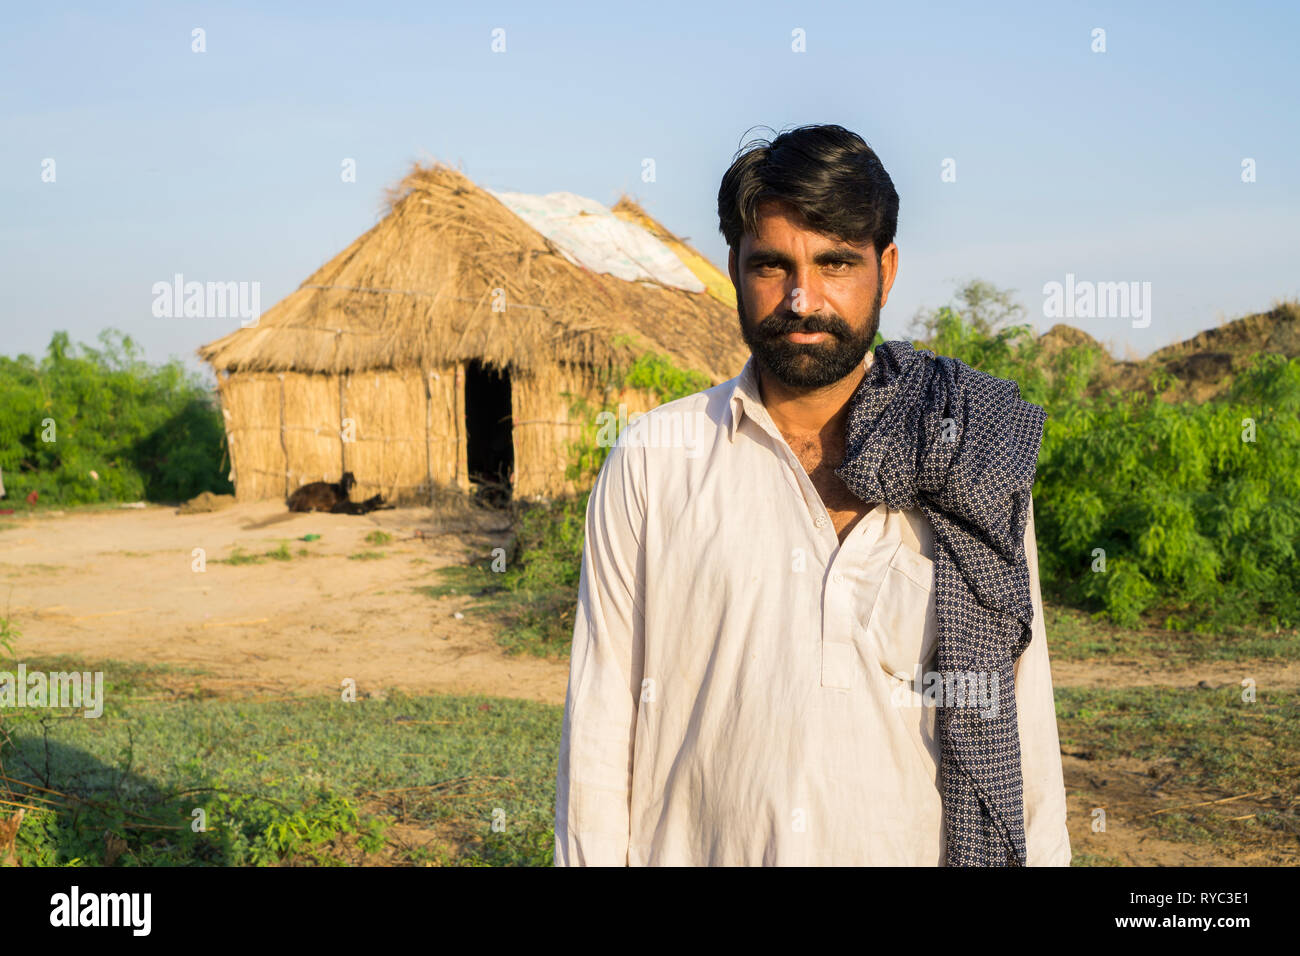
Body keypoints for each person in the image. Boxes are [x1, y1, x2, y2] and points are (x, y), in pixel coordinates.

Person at [554, 124, 1070, 866]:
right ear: (733, 266)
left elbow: (1023, 710)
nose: (803, 298)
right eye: (772, 265)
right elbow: (600, 732)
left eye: (835, 263)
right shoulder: (653, 461)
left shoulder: (971, 456)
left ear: (885, 270)